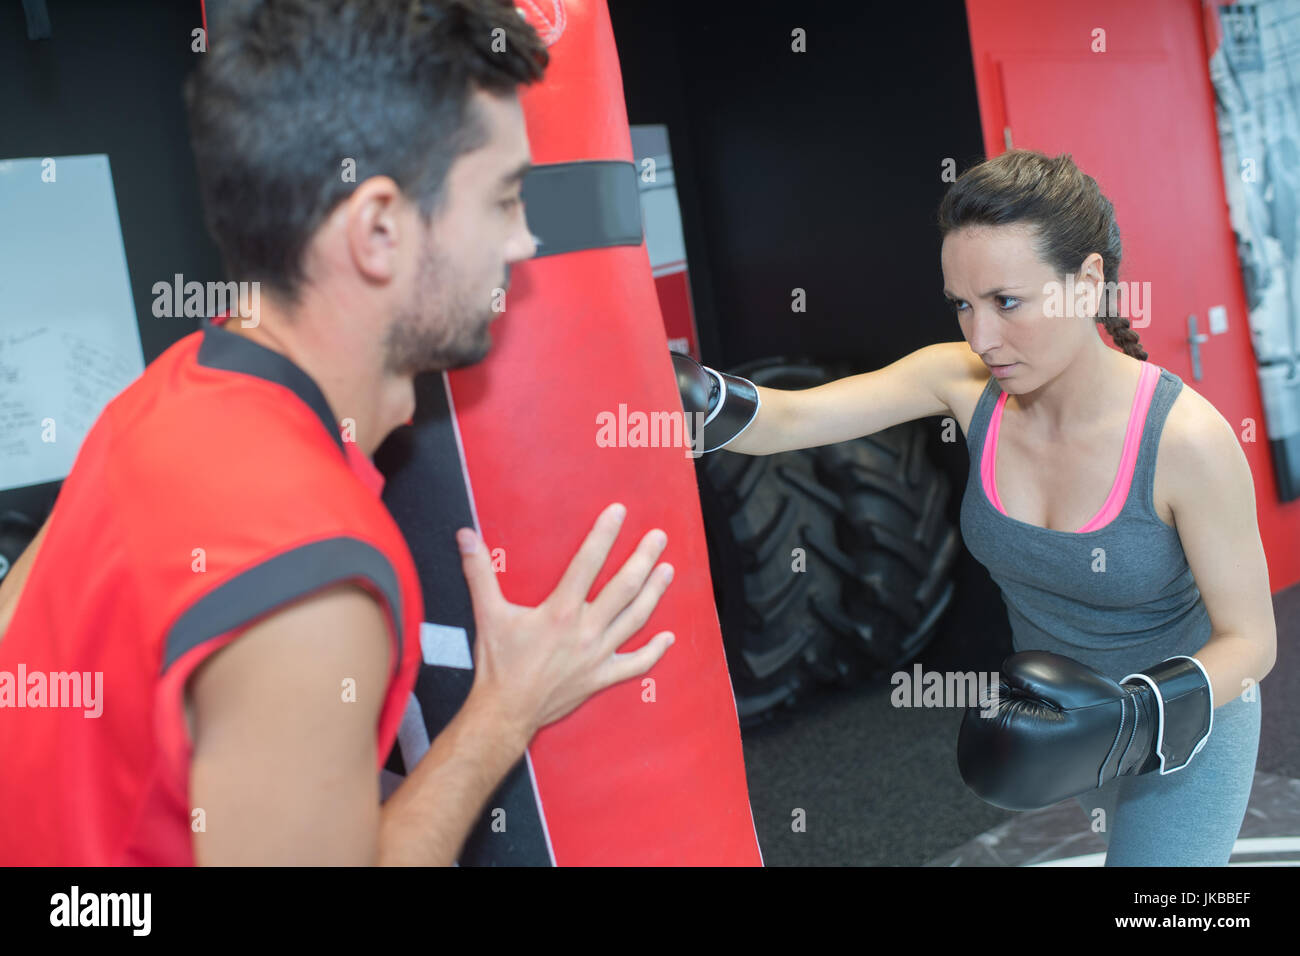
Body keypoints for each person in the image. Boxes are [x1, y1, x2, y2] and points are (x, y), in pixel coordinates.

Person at [0, 0, 676, 866]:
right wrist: (506, 710)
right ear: (379, 231)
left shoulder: (159, 396)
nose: (525, 239)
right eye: (505, 199)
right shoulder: (314, 571)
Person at [676, 149, 1276, 866]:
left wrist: (1136, 712)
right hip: (1065, 729)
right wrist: (687, 392)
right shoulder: (961, 383)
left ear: (1085, 284)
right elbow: (792, 420)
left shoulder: (1186, 441)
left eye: (1006, 301)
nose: (981, 336)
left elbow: (1252, 641)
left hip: (1182, 730)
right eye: (962, 304)